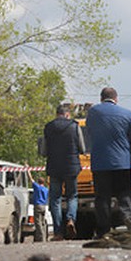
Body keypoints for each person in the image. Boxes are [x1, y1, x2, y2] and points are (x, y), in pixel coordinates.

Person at [86, 87, 131, 237]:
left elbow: (90, 132)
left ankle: (104, 229)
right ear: (116, 99)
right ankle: (127, 216)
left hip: (100, 163)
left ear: (101, 98)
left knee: (102, 197)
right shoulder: (128, 114)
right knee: (125, 194)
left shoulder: (93, 112)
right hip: (122, 162)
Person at [40, 102, 86, 240]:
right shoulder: (74, 126)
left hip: (54, 167)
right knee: (72, 196)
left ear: (57, 114)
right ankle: (71, 219)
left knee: (55, 199)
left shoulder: (48, 127)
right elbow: (82, 148)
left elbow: (43, 151)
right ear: (67, 114)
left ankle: (58, 232)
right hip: (71, 167)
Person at [31, 175, 49, 243]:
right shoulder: (46, 189)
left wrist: (28, 171)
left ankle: (41, 237)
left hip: (38, 205)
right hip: (44, 206)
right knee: (43, 222)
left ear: (38, 182)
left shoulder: (37, 187)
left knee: (38, 222)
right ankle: (44, 236)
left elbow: (31, 179)